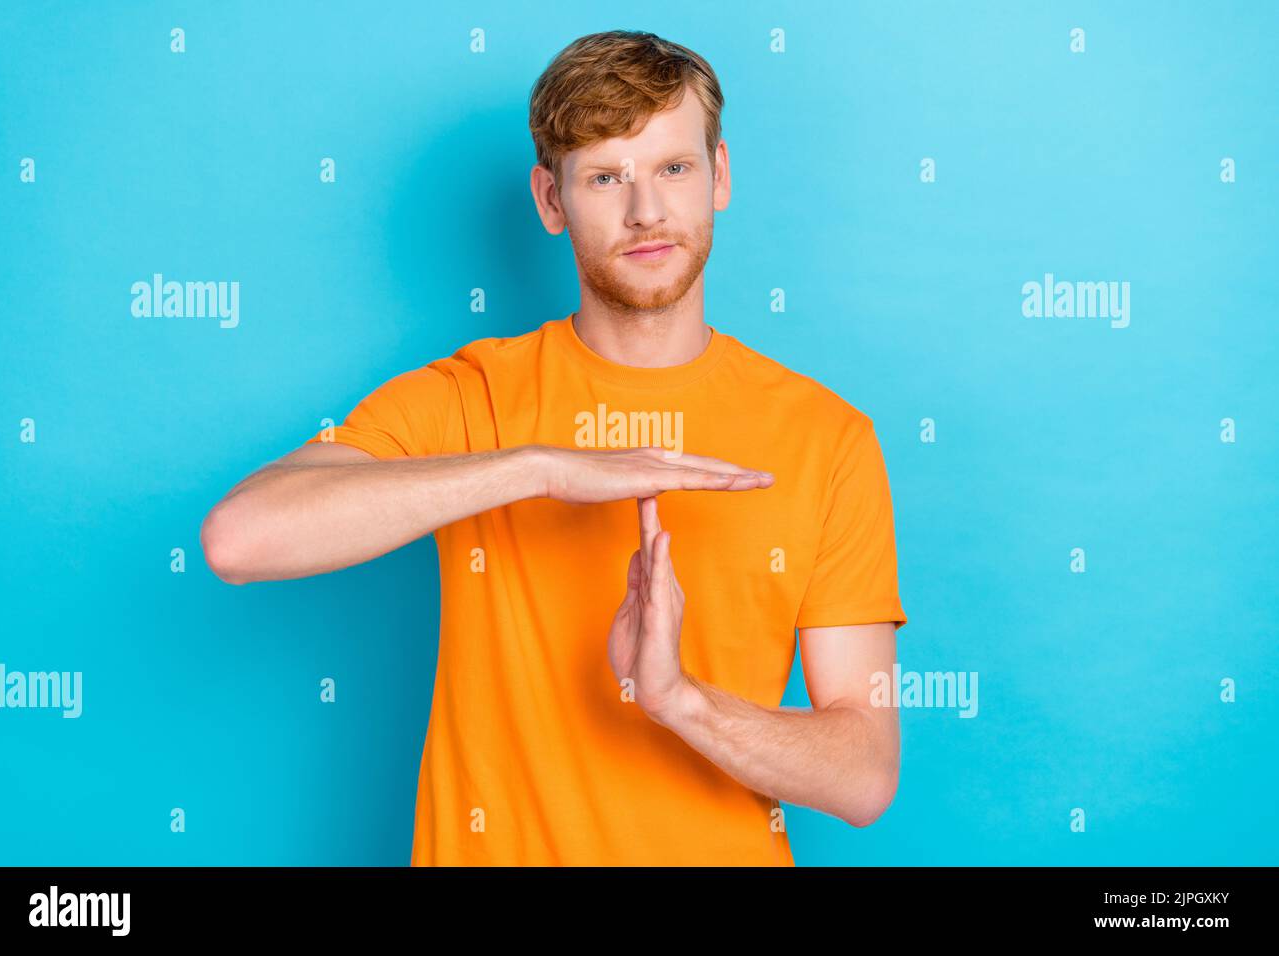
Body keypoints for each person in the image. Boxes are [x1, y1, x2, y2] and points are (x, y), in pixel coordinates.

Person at [200, 29, 908, 866]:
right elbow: (238, 540)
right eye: (606, 177)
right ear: (550, 199)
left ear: (719, 177)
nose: (646, 211)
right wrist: (538, 468)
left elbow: (864, 774)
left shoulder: (828, 437)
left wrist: (676, 699)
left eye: (673, 169)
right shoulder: (474, 397)